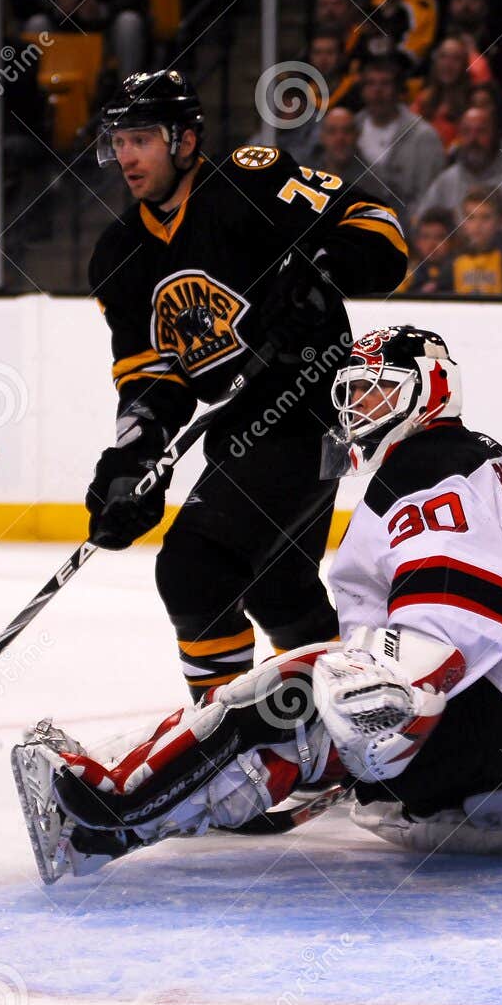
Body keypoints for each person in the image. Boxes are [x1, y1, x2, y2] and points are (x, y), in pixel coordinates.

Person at [12, 325, 502, 882]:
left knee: (291, 699)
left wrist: (402, 681)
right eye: (352, 394)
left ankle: (100, 818)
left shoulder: (424, 460)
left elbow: (460, 600)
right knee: (396, 791)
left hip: (493, 704)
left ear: (433, 388)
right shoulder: (495, 463)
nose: (361, 409)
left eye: (380, 390)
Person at [85, 71, 407, 703]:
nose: (125, 155)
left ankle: (227, 750)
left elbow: (379, 228)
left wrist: (321, 272)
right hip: (238, 435)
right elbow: (154, 378)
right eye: (118, 140)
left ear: (183, 141)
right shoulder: (119, 254)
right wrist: (131, 460)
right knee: (276, 586)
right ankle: (356, 723)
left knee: (194, 570)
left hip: (311, 415)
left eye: (142, 138)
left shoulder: (247, 181)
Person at [412, 105, 502, 255]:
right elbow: (420, 227)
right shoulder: (446, 180)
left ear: (495, 135)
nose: (473, 139)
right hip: (452, 269)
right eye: (467, 132)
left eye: (481, 131)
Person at [353, 55, 446, 209]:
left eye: (385, 83)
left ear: (398, 90)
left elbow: (429, 198)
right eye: (371, 83)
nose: (378, 91)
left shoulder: (424, 136)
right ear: (362, 90)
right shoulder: (350, 129)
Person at [448, 187, 502, 294]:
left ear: (500, 221)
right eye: (471, 217)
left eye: (485, 217)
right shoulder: (454, 257)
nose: (477, 225)